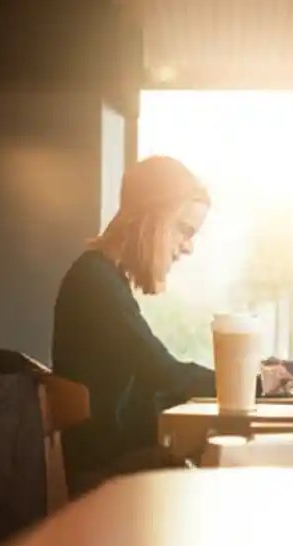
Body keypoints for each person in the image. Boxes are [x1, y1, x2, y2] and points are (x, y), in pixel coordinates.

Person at [52, 156, 220, 490]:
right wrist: (247, 384)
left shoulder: (103, 278)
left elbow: (146, 387)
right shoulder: (95, 282)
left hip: (108, 463)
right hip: (99, 474)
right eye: (185, 230)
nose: (188, 247)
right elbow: (162, 371)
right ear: (153, 218)